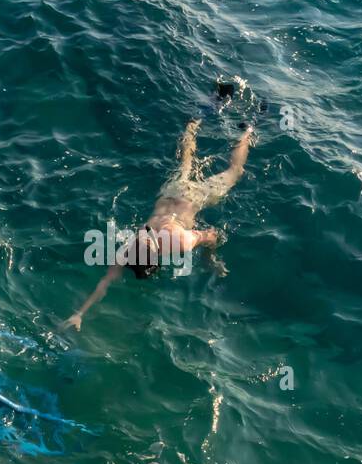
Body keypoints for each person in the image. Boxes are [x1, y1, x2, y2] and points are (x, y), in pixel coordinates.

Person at [61, 103, 256, 332]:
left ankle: (248, 131)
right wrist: (79, 313)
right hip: (170, 192)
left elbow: (211, 235)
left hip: (192, 199)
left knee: (234, 172)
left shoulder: (176, 243)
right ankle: (198, 118)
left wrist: (208, 257)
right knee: (185, 161)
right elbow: (104, 283)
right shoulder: (129, 248)